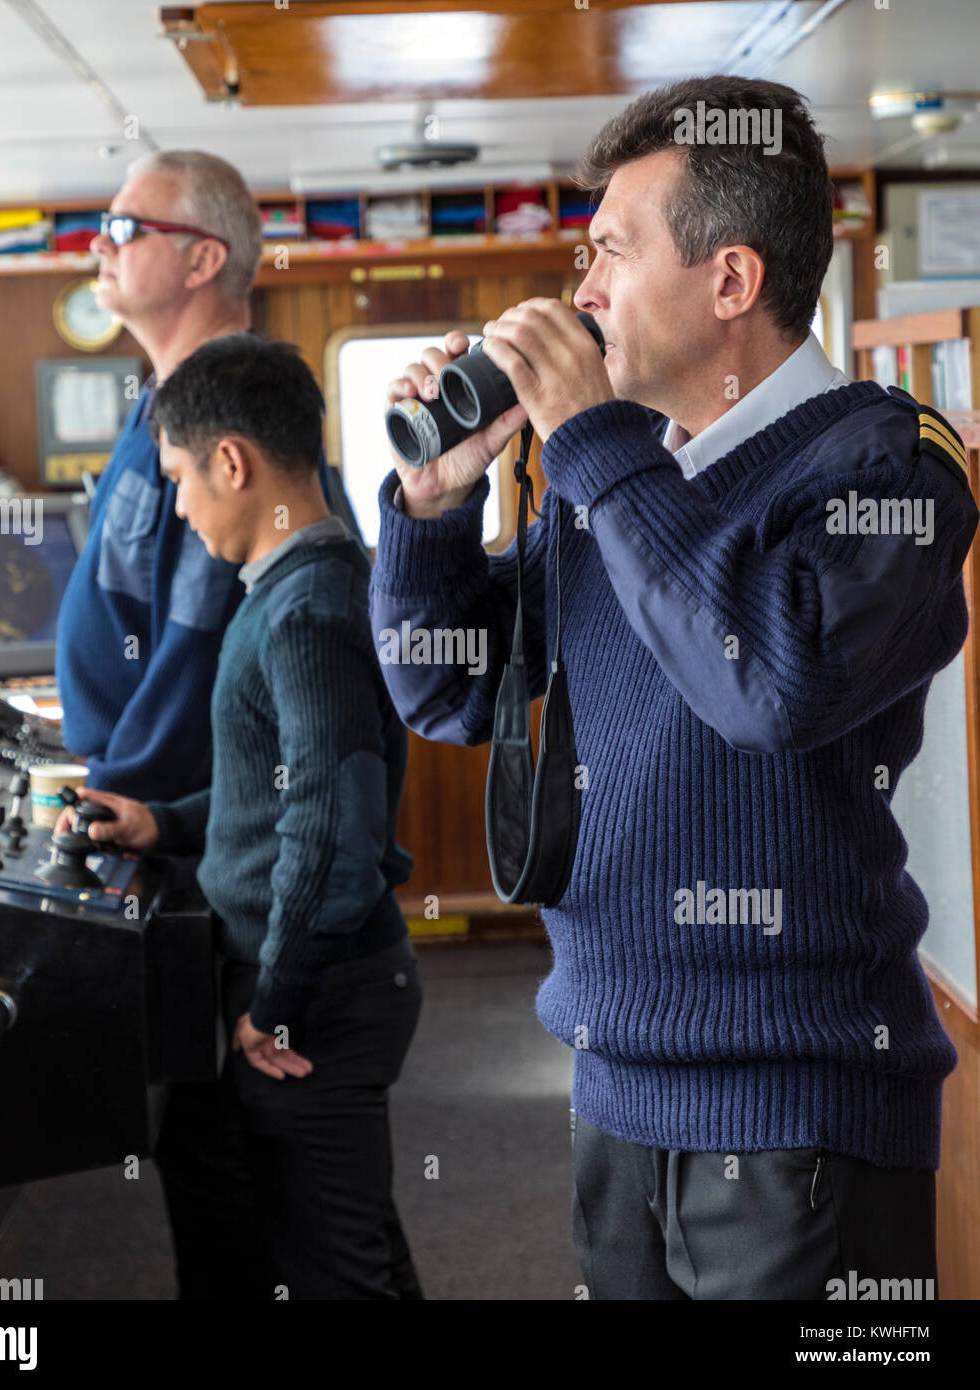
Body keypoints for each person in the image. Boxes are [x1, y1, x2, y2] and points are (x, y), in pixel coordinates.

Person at [370, 75, 979, 1299]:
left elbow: (774, 680)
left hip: (801, 1106)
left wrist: (589, 448)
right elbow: (446, 693)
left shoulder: (890, 465)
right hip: (613, 1085)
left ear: (730, 282)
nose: (581, 290)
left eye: (609, 252)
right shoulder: (620, 479)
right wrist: (432, 510)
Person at [62, 332, 422, 1301]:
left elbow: (334, 832)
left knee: (333, 1272)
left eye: (179, 476)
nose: (177, 501)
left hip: (318, 992)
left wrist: (275, 999)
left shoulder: (305, 610)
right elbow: (280, 791)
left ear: (232, 462)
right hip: (310, 975)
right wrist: (162, 824)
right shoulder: (291, 589)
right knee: (348, 1245)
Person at [55, 150, 336, 802]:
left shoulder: (226, 419)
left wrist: (130, 797)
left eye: (126, 229)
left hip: (169, 810)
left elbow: (198, 638)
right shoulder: (162, 402)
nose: (99, 241)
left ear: (202, 261)